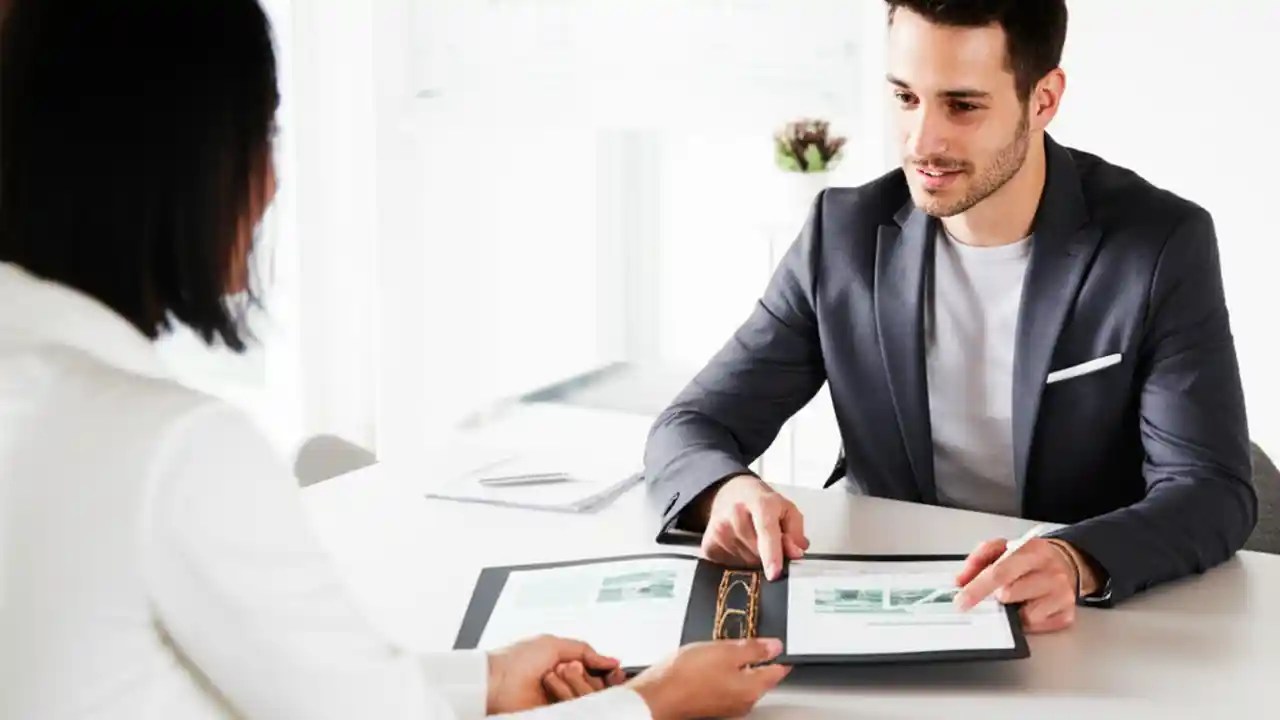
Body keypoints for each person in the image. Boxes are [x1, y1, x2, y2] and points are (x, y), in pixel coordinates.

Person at [0, 1, 789, 718]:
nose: (273, 184)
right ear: (181, 160)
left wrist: (480, 679)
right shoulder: (174, 447)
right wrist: (650, 703)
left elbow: (315, 686)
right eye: (263, 137)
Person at [644, 0, 1256, 634]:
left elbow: (1211, 489)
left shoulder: (1157, 244)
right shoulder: (843, 235)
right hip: (883, 599)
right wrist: (728, 491)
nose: (922, 142)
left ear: (1043, 99)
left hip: (1077, 621)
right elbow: (690, 426)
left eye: (962, 106)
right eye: (906, 98)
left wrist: (1077, 559)